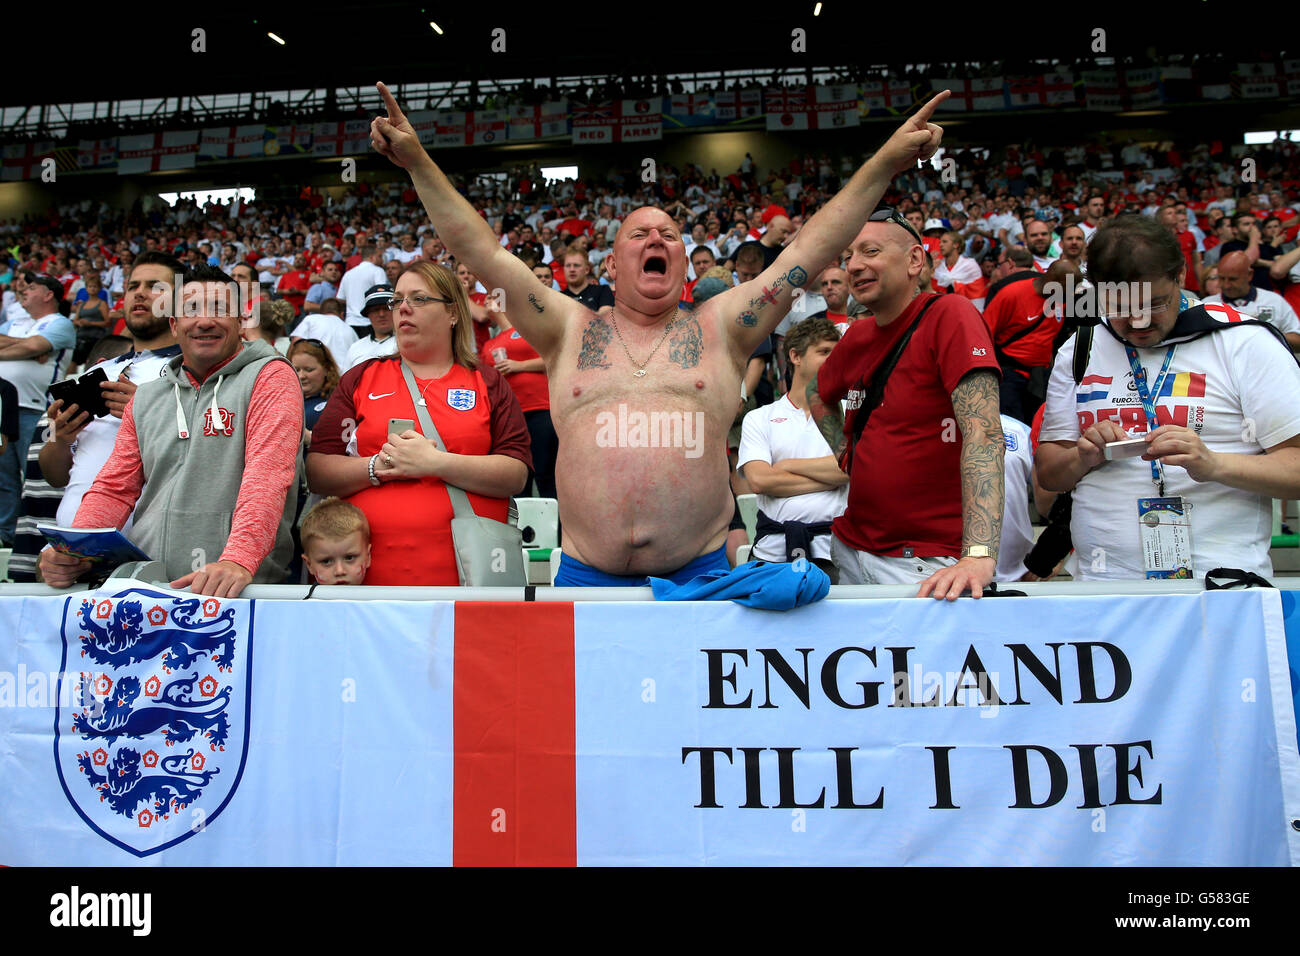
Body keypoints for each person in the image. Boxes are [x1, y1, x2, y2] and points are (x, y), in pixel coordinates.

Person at [369, 81, 950, 586]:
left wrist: (884, 164)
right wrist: (420, 162)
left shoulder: (724, 328)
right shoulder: (567, 328)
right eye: (638, 234)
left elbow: (808, 249)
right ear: (612, 267)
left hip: (701, 571)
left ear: (686, 266)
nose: (656, 240)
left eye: (669, 235)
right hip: (582, 575)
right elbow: (485, 253)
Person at [1036, 215, 1300, 581]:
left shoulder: (1245, 341)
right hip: (1102, 589)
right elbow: (1049, 475)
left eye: (1154, 303)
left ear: (1181, 274)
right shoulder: (1080, 348)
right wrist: (1082, 457)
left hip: (1223, 588)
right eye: (1119, 308)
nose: (1138, 322)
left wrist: (1213, 464)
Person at [38, 263, 305, 596]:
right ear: (175, 323)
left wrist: (238, 560)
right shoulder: (148, 395)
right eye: (191, 310)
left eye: (219, 309)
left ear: (241, 322)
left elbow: (267, 477)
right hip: (148, 585)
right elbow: (114, 487)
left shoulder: (270, 377)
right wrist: (75, 551)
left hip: (235, 588)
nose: (204, 321)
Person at [807, 208, 1005, 598]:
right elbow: (816, 393)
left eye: (870, 251)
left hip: (927, 564)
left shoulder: (951, 314)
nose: (855, 266)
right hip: (851, 548)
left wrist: (979, 554)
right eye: (849, 257)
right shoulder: (856, 337)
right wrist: (847, 453)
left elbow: (984, 435)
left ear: (915, 260)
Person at [306, 260, 532, 586]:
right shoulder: (361, 378)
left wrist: (435, 463)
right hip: (365, 584)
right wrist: (377, 467)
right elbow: (317, 471)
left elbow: (515, 474)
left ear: (453, 313)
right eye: (397, 300)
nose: (403, 309)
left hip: (468, 582)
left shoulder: (489, 382)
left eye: (419, 299)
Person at [39, 251, 184, 529]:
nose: (140, 294)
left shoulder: (193, 372)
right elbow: (56, 477)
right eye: (133, 286)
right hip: (72, 551)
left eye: (155, 287)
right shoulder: (96, 373)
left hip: (145, 555)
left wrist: (146, 413)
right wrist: (58, 438)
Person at [737, 316, 847, 581]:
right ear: (796, 356)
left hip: (836, 551)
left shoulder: (850, 411)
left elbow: (851, 470)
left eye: (837, 352)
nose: (833, 359)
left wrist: (786, 466)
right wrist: (832, 476)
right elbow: (760, 480)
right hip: (772, 551)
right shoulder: (760, 417)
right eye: (823, 352)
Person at [0, 274, 75, 545]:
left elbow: (35, 345)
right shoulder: (14, 322)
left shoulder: (60, 323)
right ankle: (6, 536)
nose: (23, 290)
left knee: (38, 480)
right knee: (3, 477)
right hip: (2, 410)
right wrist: (26, 348)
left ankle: (43, 541)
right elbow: (32, 346)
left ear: (48, 295)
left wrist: (32, 347)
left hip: (37, 411)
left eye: (32, 287)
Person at [482, 274, 557, 499]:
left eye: (490, 298)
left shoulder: (528, 329)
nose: (485, 302)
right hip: (510, 416)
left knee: (546, 474)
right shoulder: (489, 344)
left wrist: (518, 365)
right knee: (519, 479)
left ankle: (556, 532)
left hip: (540, 408)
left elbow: (553, 358)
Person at [1203, 251, 1300, 349]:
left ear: (1249, 275)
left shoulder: (1274, 301)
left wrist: (1266, 333)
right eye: (1221, 278)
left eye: (1233, 279)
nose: (1226, 285)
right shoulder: (1206, 305)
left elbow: (1298, 341)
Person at [300, 496, 372, 586]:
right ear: (309, 564)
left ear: (368, 556)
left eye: (349, 558)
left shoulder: (385, 598)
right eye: (326, 561)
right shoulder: (297, 600)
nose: (339, 571)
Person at [291, 287, 359, 371]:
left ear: (321, 312)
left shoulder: (311, 319)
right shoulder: (351, 330)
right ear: (342, 314)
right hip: (345, 377)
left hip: (318, 375)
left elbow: (296, 343)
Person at [344, 284, 399, 370]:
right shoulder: (355, 348)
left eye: (386, 308)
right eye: (375, 310)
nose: (381, 314)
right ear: (368, 314)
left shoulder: (406, 343)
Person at [338, 244, 387, 335]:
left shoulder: (348, 274)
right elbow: (381, 294)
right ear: (372, 257)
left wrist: (353, 301)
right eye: (380, 256)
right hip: (369, 322)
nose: (382, 260)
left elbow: (340, 299)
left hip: (350, 323)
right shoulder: (377, 271)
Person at [70, 270, 112, 368]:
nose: (92, 289)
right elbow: (75, 320)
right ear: (86, 288)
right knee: (73, 362)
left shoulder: (102, 304)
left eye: (95, 286)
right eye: (90, 286)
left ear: (99, 289)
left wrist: (91, 323)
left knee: (89, 364)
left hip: (94, 338)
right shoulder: (81, 304)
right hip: (80, 337)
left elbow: (107, 323)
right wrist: (79, 322)